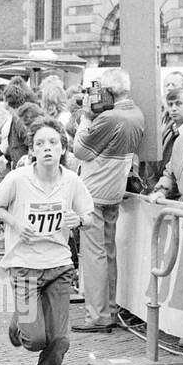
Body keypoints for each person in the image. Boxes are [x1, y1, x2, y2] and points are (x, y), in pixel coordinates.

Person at [0, 119, 94, 365]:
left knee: (60, 340)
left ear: (62, 148)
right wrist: (16, 223)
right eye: (40, 144)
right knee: (34, 339)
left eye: (53, 143)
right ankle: (20, 323)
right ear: (32, 150)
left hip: (59, 264)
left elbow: (90, 215)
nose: (47, 148)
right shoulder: (18, 179)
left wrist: (80, 221)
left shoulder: (72, 181)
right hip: (24, 265)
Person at [69, 67, 145, 333]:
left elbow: (80, 150)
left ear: (109, 91)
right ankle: (109, 308)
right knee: (108, 252)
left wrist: (87, 118)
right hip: (114, 190)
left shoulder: (109, 118)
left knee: (94, 256)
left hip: (95, 192)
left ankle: (98, 316)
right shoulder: (136, 114)